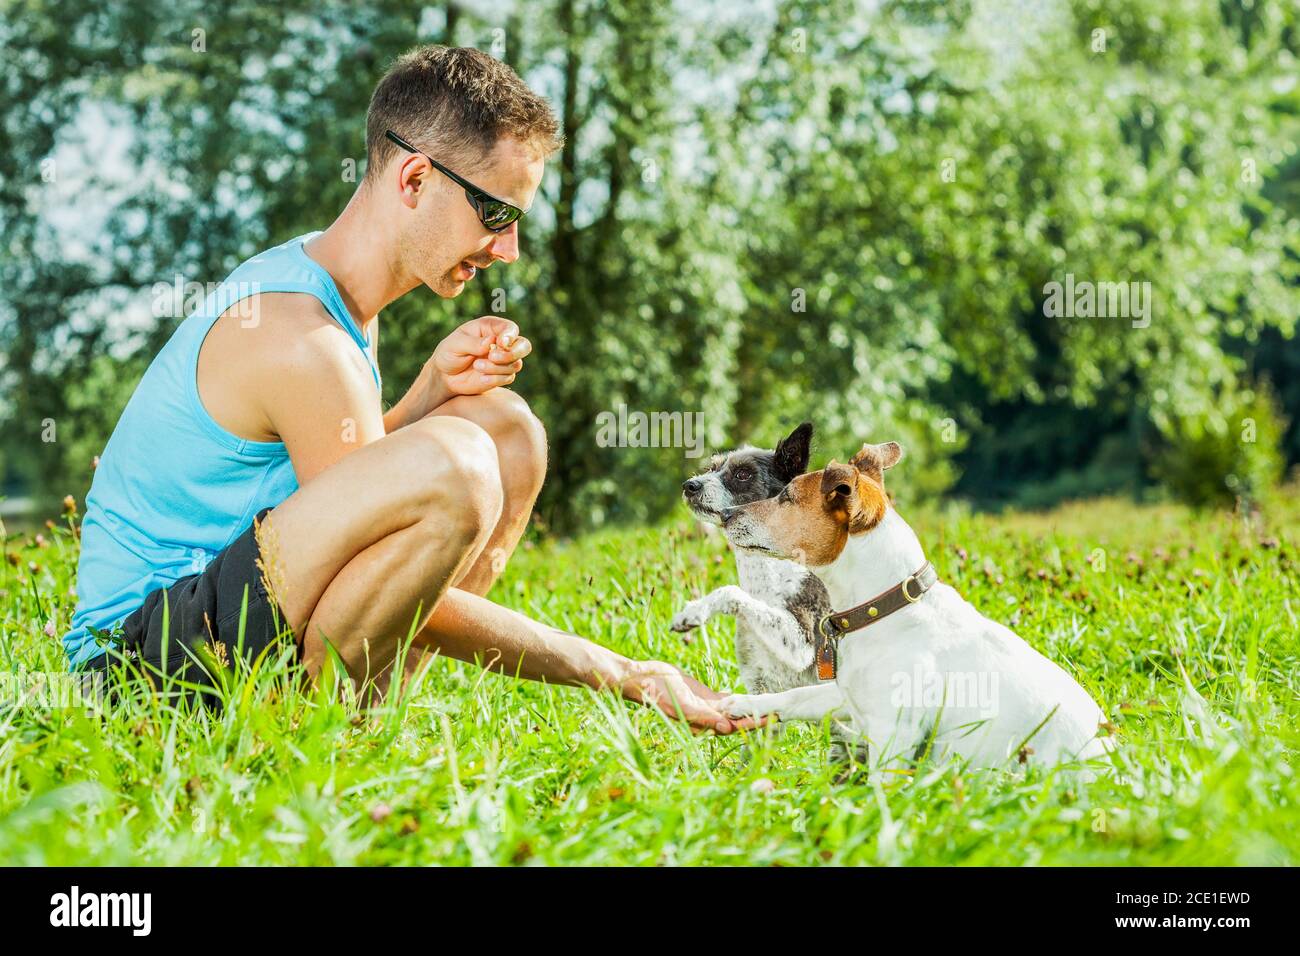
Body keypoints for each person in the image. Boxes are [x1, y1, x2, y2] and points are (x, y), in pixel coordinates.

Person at [64, 45, 756, 735]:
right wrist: (622, 673)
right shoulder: (301, 336)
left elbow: (330, 498)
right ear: (416, 179)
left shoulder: (330, 296)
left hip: (224, 609)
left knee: (506, 431)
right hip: (136, 670)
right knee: (457, 463)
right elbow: (369, 529)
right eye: (496, 213)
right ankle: (312, 732)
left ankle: (360, 716)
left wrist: (427, 393)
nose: (508, 248)